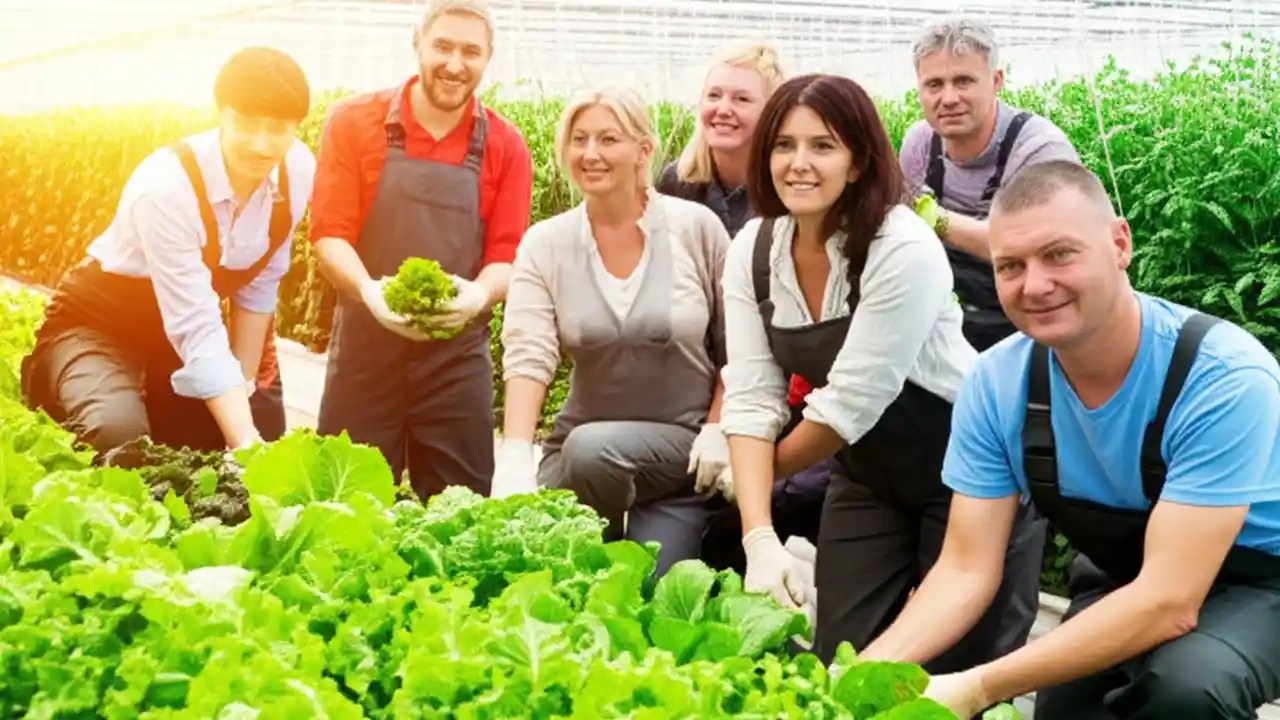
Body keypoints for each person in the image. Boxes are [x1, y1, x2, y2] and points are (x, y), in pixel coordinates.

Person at [860, 160, 1280, 719]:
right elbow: (964, 568)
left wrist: (977, 687)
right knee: (1065, 710)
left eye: (1060, 254)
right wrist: (862, 674)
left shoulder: (1220, 377)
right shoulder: (997, 384)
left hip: (1261, 586)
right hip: (1125, 578)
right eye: (1010, 265)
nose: (1034, 285)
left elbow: (1169, 601)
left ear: (1119, 244)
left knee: (1185, 689)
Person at [718, 73, 1043, 668]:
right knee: (841, 655)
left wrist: (748, 472)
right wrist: (758, 538)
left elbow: (849, 404)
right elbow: (750, 394)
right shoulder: (753, 251)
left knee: (954, 671)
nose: (798, 163)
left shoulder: (901, 246)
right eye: (783, 145)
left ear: (860, 160)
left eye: (822, 145)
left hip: (973, 471)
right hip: (868, 475)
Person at [20, 46, 315, 456]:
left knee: (211, 442)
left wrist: (243, 392)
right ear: (221, 112)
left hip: (172, 340)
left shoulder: (298, 170)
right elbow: (196, 325)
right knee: (119, 435)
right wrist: (246, 443)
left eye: (279, 128)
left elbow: (259, 286)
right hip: (99, 325)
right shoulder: (164, 188)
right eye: (246, 124)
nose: (262, 145)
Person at [490, 85, 732, 576]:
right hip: (582, 461)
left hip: (681, 454)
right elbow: (529, 353)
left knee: (653, 586)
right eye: (579, 140)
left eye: (609, 139)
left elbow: (740, 347)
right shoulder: (547, 243)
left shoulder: (696, 229)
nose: (591, 154)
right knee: (570, 581)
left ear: (644, 150)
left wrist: (718, 427)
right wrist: (516, 455)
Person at [308, 0, 534, 499]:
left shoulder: (505, 145)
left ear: (488, 58)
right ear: (418, 44)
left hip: (455, 356)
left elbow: (507, 256)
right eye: (444, 46)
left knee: (461, 511)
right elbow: (329, 234)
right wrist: (370, 291)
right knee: (345, 505)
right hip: (366, 348)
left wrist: (476, 296)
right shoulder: (353, 122)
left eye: (471, 51)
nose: (456, 64)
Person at [899, 18, 1080, 352]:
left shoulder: (1037, 148)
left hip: (1033, 317)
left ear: (996, 81)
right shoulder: (920, 144)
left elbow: (1036, 251)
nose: (949, 98)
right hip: (944, 315)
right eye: (934, 84)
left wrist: (931, 216)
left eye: (964, 81)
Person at [656, 39, 785, 238]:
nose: (723, 110)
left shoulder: (785, 186)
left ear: (771, 111)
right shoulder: (676, 182)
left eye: (742, 99)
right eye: (714, 96)